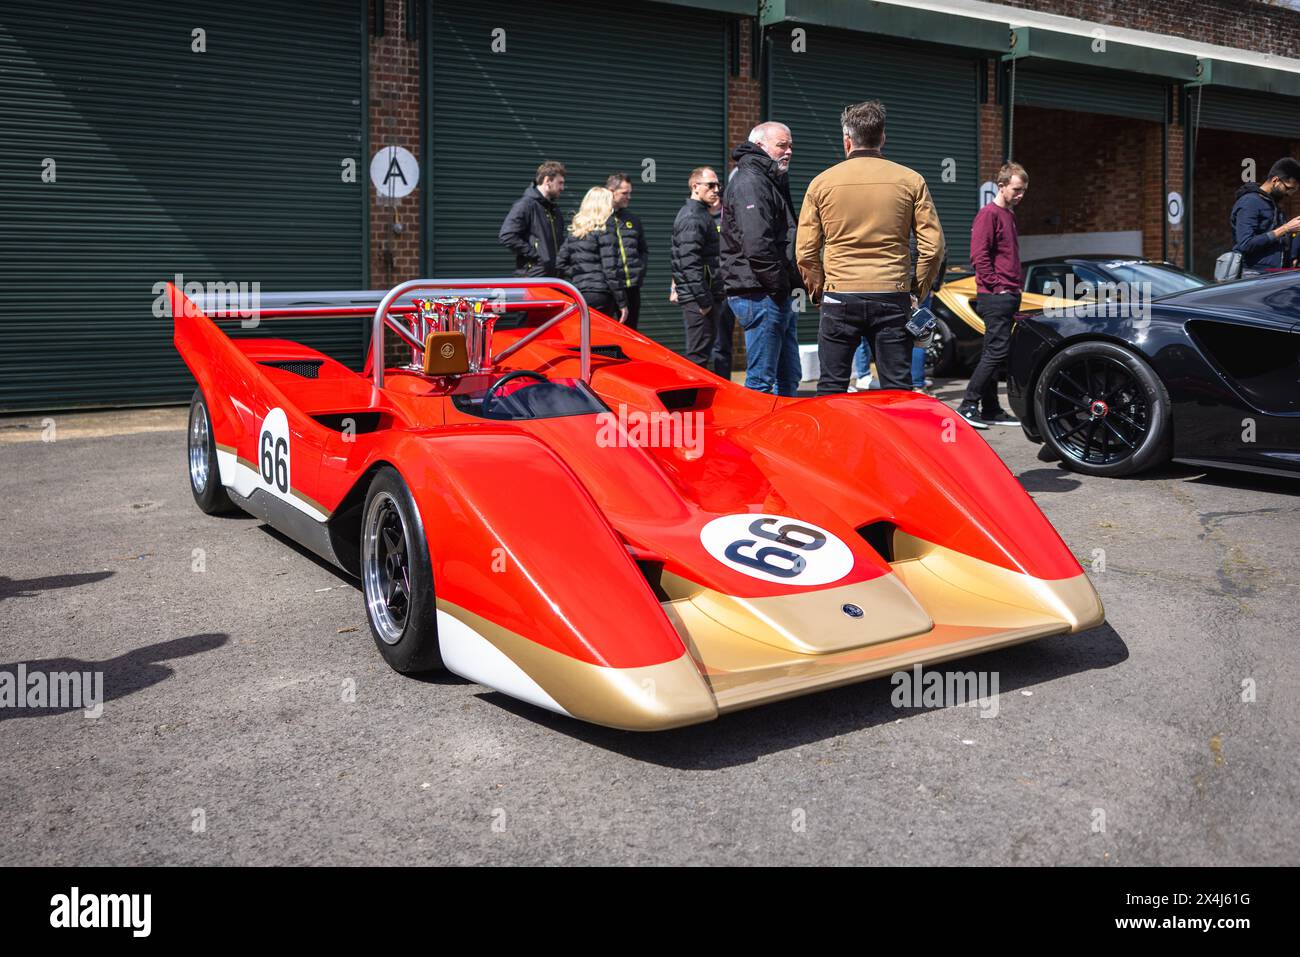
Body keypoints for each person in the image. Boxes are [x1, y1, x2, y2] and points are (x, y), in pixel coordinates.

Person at [796, 100, 944, 394]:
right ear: (882, 138)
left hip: (840, 295)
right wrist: (916, 290)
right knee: (897, 388)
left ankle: (832, 441)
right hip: (892, 294)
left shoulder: (821, 183)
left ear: (847, 140)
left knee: (832, 387)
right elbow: (933, 247)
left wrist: (819, 291)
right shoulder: (911, 180)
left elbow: (805, 252)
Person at [722, 121, 803, 396]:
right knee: (761, 382)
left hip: (773, 292)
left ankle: (784, 434)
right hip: (760, 293)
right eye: (782, 145)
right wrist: (778, 286)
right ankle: (755, 436)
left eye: (791, 145)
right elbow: (757, 243)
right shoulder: (750, 182)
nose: (788, 151)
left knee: (789, 376)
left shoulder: (769, 178)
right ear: (760, 146)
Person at [958, 162, 1028, 429]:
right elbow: (979, 256)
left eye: (1023, 191)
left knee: (992, 350)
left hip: (1009, 293)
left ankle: (990, 408)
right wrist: (998, 287)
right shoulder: (989, 215)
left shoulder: (1008, 215)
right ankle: (968, 405)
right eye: (1017, 190)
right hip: (995, 295)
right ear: (1001, 186)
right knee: (997, 351)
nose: (1021, 195)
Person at [671, 168, 730, 376]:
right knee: (697, 358)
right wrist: (704, 302)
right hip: (699, 300)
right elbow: (689, 263)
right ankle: (686, 404)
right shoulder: (692, 218)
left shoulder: (700, 214)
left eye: (718, 185)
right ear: (695, 187)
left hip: (706, 296)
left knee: (702, 354)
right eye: (710, 185)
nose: (716, 190)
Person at [556, 186, 627, 319]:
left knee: (584, 336)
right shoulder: (606, 227)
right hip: (601, 294)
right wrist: (622, 302)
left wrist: (580, 274)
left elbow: (560, 263)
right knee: (601, 337)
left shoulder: (576, 231)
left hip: (579, 294)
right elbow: (610, 269)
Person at [1231, 157, 1300, 276]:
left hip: (1274, 275)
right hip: (1253, 276)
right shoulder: (1249, 202)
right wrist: (1285, 228)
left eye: (1294, 190)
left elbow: (1278, 240)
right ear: (1275, 180)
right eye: (1288, 188)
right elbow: (1245, 244)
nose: (1290, 194)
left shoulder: (1273, 204)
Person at [498, 161, 566, 276]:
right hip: (533, 277)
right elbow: (507, 235)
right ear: (547, 181)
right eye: (560, 183)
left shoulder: (554, 210)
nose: (562, 188)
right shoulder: (526, 205)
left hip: (554, 279)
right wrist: (536, 256)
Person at [606, 173, 648, 327]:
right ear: (611, 191)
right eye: (624, 193)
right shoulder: (599, 218)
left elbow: (643, 250)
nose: (628, 197)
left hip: (631, 288)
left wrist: (639, 272)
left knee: (631, 332)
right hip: (609, 290)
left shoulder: (633, 219)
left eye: (630, 193)